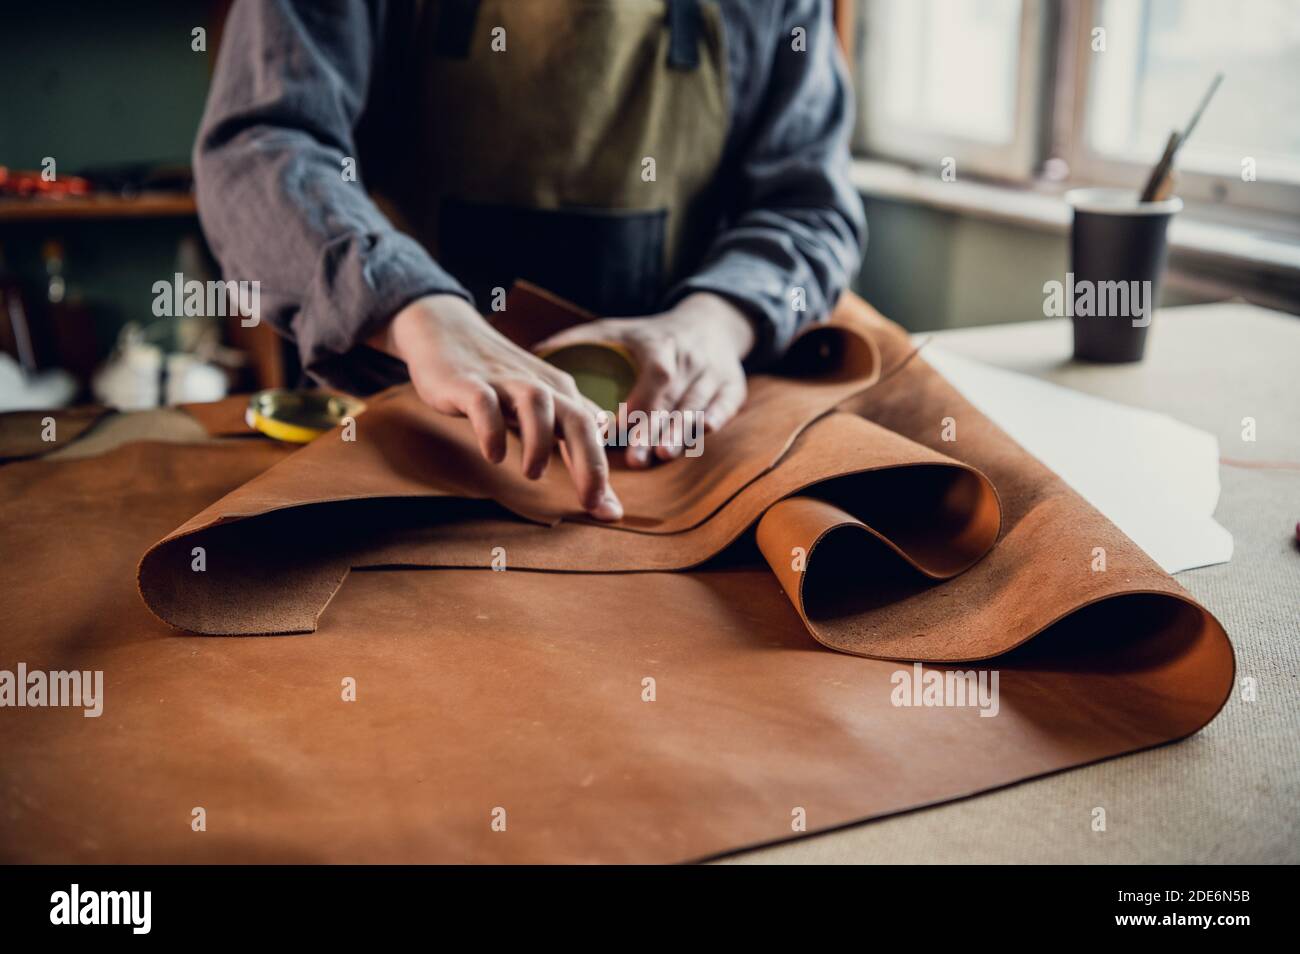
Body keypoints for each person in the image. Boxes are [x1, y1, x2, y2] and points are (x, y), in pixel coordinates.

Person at [194, 0, 865, 520]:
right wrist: (411, 306)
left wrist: (713, 324)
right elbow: (260, 148)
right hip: (405, 455)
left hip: (660, 461)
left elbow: (810, 206)